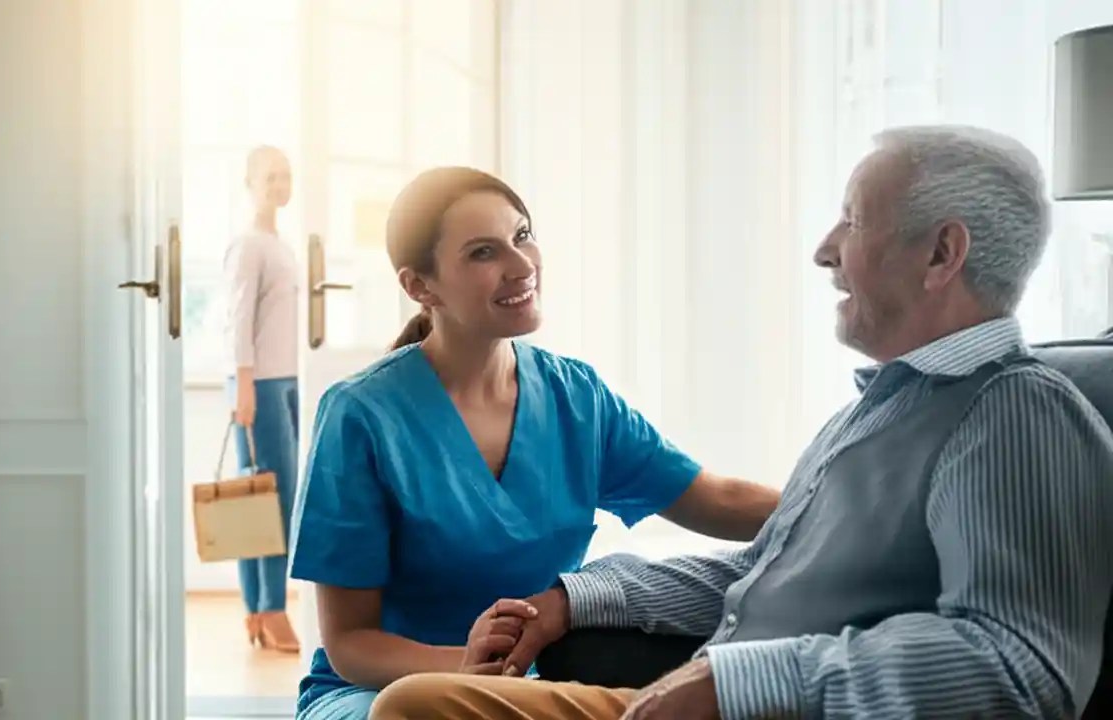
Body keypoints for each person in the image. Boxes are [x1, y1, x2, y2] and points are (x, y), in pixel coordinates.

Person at [370, 126, 1113, 719]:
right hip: (694, 695)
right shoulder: (879, 410)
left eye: (852, 221)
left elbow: (1021, 668)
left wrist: (742, 682)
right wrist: (574, 598)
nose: (825, 249)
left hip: (752, 705)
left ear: (942, 253)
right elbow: (757, 574)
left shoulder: (1017, 413)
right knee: (415, 703)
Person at [285, 167, 783, 720]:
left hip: (528, 681)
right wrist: (466, 670)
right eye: (482, 253)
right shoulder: (360, 416)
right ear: (420, 287)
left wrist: (852, 517)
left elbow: (717, 499)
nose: (522, 266)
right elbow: (351, 641)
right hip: (376, 691)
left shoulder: (577, 398)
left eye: (522, 236)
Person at [223, 145, 301, 653]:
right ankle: (272, 607)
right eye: (270, 176)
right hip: (261, 383)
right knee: (273, 499)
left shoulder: (280, 244)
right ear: (250, 181)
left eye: (285, 176)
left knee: (260, 497)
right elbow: (237, 317)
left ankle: (256, 610)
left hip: (286, 380)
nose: (279, 184)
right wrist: (245, 384)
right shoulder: (249, 245)